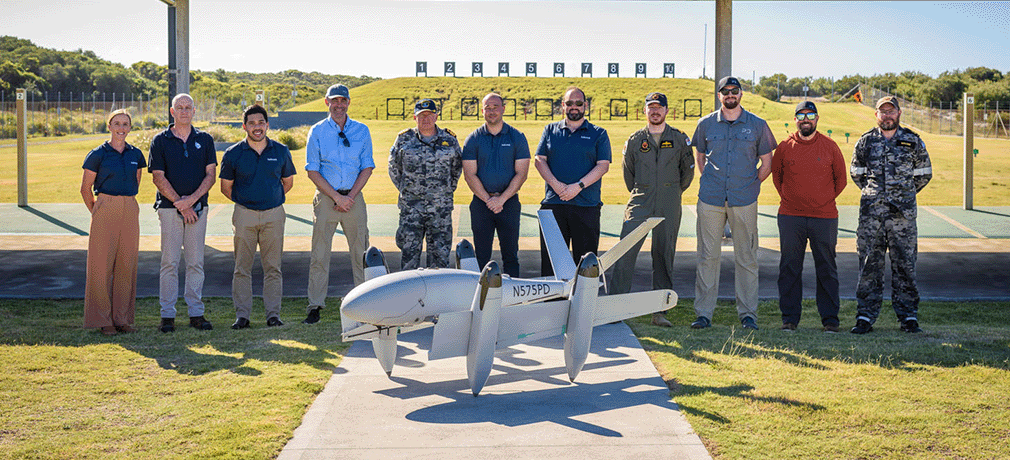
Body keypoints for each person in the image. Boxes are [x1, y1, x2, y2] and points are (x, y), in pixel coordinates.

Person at [690, 76, 777, 330]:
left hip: (744, 200)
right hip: (711, 199)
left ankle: (748, 314)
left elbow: (767, 163)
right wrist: (712, 182)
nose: (730, 95)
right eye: (725, 91)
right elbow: (701, 158)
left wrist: (750, 185)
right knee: (707, 256)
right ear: (719, 95)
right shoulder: (705, 124)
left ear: (741, 94)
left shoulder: (758, 125)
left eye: (734, 91)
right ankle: (703, 314)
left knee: (747, 257)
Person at [611, 92, 694, 327]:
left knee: (664, 253)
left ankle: (660, 311)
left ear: (667, 111)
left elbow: (687, 173)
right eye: (651, 107)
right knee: (625, 250)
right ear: (645, 111)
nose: (655, 111)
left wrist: (671, 191)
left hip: (669, 199)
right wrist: (645, 190)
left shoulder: (679, 139)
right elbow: (629, 173)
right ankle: (615, 308)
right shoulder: (636, 140)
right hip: (641, 198)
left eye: (659, 107)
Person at [850, 96, 932, 334]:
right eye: (882, 111)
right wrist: (876, 195)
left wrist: (903, 194)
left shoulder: (913, 141)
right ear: (876, 114)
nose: (887, 115)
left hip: (902, 218)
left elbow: (924, 174)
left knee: (905, 266)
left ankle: (908, 317)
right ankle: (865, 316)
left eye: (891, 111)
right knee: (868, 266)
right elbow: (857, 174)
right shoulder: (865, 142)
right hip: (871, 217)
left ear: (899, 112)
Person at [771, 101, 847, 333]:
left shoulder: (830, 146)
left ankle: (830, 320)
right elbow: (777, 177)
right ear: (795, 119)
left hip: (824, 217)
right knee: (790, 267)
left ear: (817, 119)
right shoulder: (784, 147)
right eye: (801, 115)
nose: (806, 119)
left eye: (810, 115)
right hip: (791, 217)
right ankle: (790, 319)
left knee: (826, 267)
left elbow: (841, 180)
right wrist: (794, 200)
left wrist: (820, 200)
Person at [219, 105, 296, 329]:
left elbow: (288, 182)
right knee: (242, 267)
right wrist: (248, 202)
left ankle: (273, 315)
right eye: (251, 123)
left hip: (274, 215)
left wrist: (268, 200)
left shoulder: (280, 151)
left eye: (260, 123)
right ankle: (242, 316)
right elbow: (226, 187)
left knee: (273, 267)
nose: (256, 127)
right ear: (244, 126)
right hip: (244, 215)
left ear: (267, 125)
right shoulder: (233, 153)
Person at [303, 84, 374, 324]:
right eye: (335, 101)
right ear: (327, 102)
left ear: (349, 103)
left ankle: (365, 303)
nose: (339, 105)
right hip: (326, 199)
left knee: (361, 253)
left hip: (354, 198)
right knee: (320, 253)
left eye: (343, 101)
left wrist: (350, 197)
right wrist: (336, 197)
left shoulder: (361, 131)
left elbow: (367, 166)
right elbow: (312, 170)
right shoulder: (317, 131)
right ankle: (315, 305)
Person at [148, 93, 217, 333]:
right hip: (170, 209)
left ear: (194, 111)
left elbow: (211, 175)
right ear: (172, 111)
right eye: (180, 107)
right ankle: (167, 315)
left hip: (197, 209)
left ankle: (196, 313)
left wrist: (192, 201)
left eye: (188, 107)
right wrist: (180, 203)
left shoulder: (205, 139)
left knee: (196, 262)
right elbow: (158, 176)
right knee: (169, 262)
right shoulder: (160, 140)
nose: (184, 111)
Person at [80, 109, 146, 335]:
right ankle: (103, 319)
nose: (121, 128)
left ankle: (122, 319)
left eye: (125, 124)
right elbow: (85, 188)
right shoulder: (97, 154)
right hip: (105, 207)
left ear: (129, 127)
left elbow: (137, 183)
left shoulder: (136, 154)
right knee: (101, 266)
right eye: (116, 123)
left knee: (126, 265)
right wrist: (97, 211)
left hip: (129, 207)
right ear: (109, 126)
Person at [534, 86, 611, 276]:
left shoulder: (598, 133)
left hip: (586, 206)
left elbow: (603, 165)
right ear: (563, 106)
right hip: (554, 204)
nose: (574, 107)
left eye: (578, 103)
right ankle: (551, 306)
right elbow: (539, 160)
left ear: (585, 105)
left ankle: (581, 306)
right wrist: (556, 185)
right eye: (569, 103)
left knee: (585, 265)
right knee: (551, 265)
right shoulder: (550, 130)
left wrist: (578, 186)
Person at [461, 93, 530, 277]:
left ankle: (512, 300)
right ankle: (482, 299)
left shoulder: (517, 137)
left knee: (511, 255)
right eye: (487, 108)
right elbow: (469, 175)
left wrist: (501, 199)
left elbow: (521, 174)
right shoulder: (473, 139)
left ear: (503, 109)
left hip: (509, 203)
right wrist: (489, 200)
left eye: (495, 107)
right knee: (482, 257)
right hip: (481, 204)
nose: (491, 111)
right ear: (482, 110)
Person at [388, 99, 463, 270]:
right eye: (422, 115)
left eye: (430, 115)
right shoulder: (404, 139)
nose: (426, 119)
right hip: (411, 210)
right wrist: (407, 190)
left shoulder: (449, 140)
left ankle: (438, 296)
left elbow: (457, 168)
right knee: (409, 257)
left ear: (437, 116)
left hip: (440, 210)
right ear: (415, 117)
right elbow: (394, 167)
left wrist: (445, 191)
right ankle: (409, 296)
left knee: (440, 258)